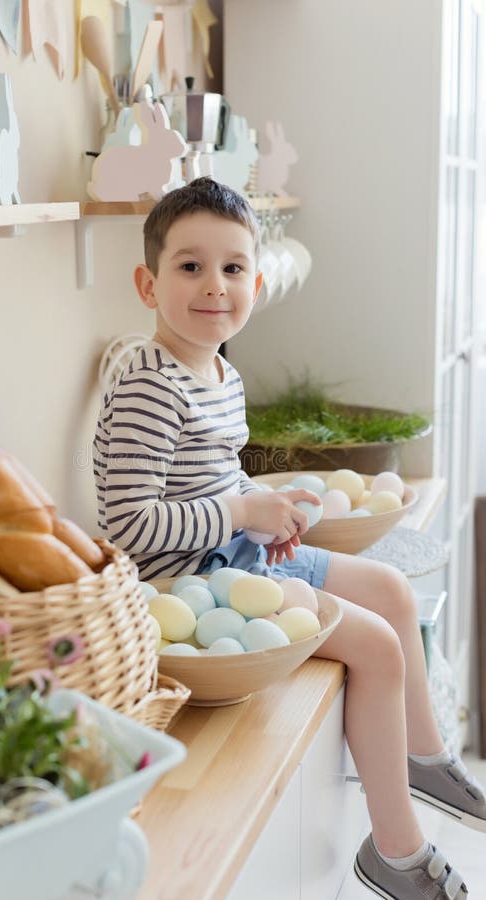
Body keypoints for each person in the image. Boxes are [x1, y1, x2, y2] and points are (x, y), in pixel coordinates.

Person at [93, 177, 485, 899]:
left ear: (257, 282)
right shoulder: (150, 383)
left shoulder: (218, 372)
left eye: (233, 267)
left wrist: (269, 507)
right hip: (181, 582)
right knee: (374, 643)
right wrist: (242, 514)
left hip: (233, 555)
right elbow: (130, 526)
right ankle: (397, 855)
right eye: (190, 266)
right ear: (148, 285)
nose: (215, 285)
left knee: (392, 589)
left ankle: (424, 758)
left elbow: (218, 480)